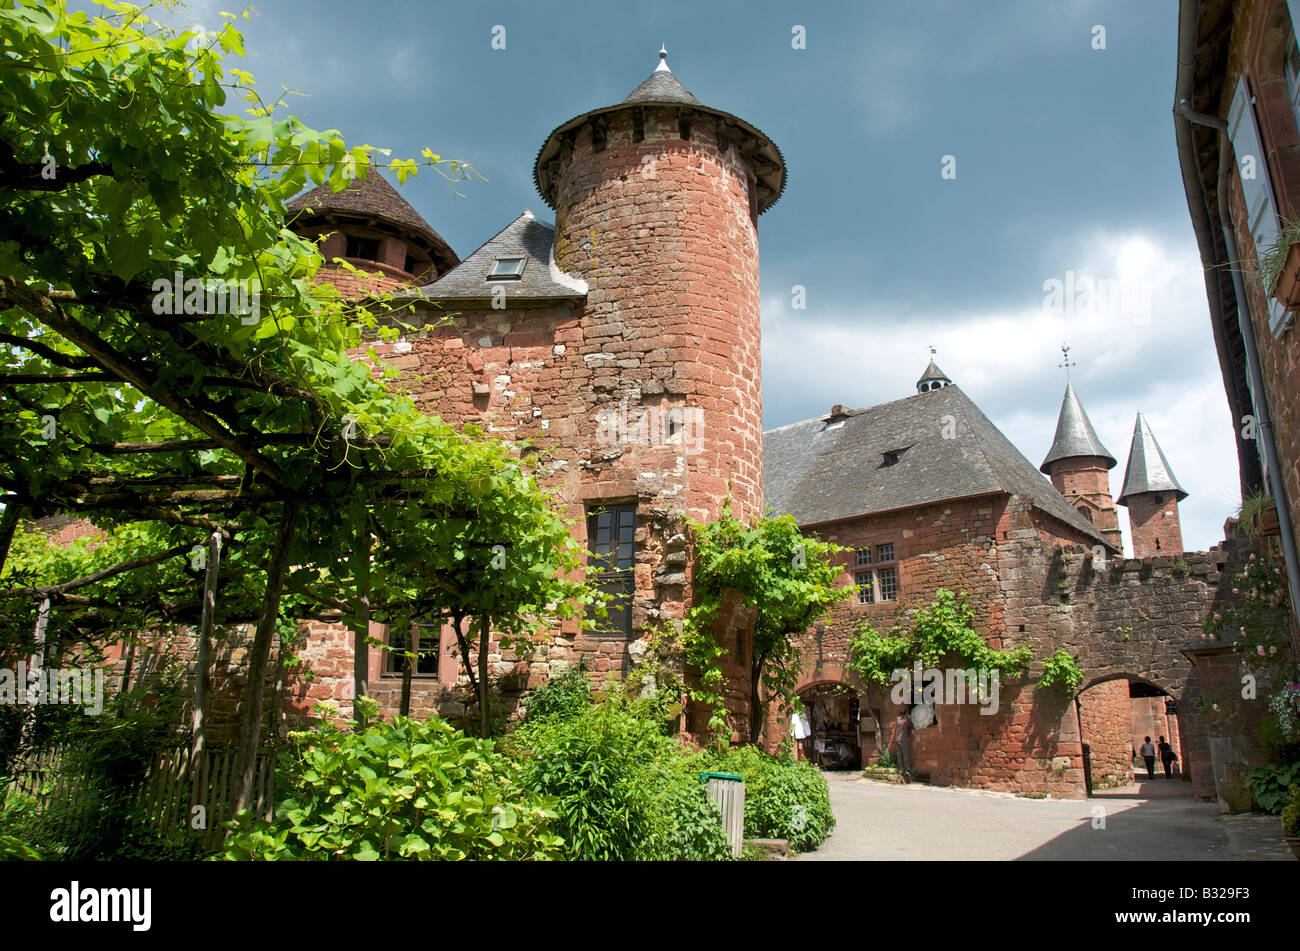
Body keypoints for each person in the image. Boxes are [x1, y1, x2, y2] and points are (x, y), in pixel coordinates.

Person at [894, 709, 913, 781]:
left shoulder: (897, 719)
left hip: (897, 739)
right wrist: (908, 716)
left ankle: (900, 770)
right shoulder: (905, 720)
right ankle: (907, 770)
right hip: (903, 739)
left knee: (899, 755)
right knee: (905, 755)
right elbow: (911, 725)